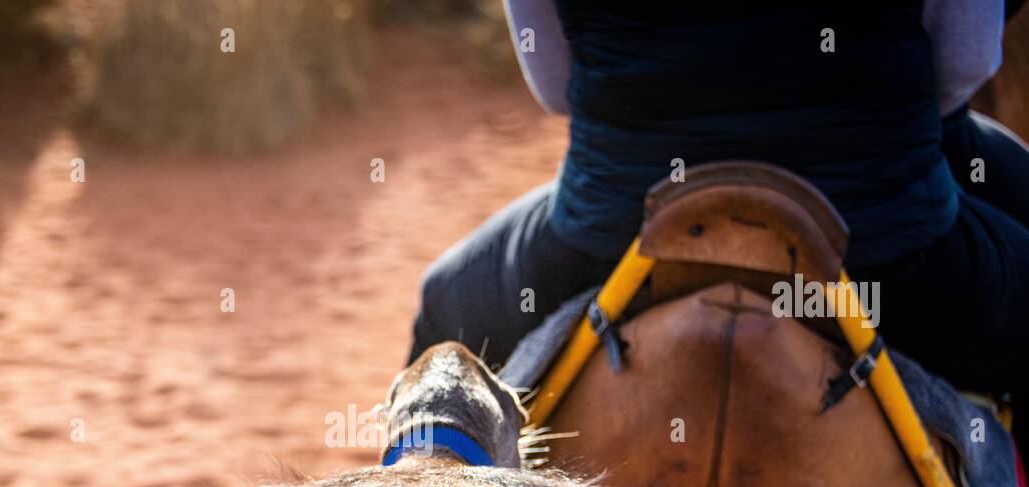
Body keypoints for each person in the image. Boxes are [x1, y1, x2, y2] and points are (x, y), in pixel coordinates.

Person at [411, 1, 1028, 448]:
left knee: (445, 310)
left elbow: (554, 84)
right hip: (883, 241)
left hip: (620, 231)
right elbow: (962, 66)